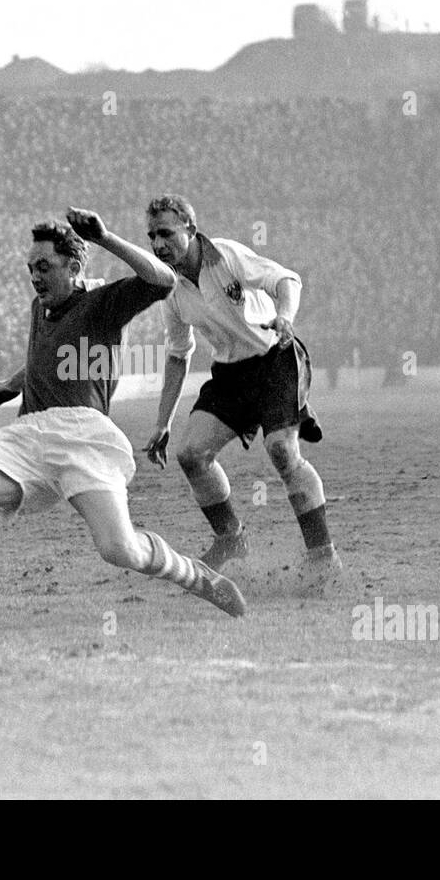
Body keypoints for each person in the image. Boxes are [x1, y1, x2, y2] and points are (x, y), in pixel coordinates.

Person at [0, 214, 247, 622]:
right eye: (30, 268)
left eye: (44, 266)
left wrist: (104, 237)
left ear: (75, 268)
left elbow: (163, 281)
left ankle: (198, 576)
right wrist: (13, 383)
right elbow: (52, 356)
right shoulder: (39, 308)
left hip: (83, 436)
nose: (34, 276)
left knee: (119, 550)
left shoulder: (101, 304)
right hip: (28, 436)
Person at [122, 195, 340, 597]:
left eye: (166, 234)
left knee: (281, 452)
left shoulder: (226, 255)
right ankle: (232, 538)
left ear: (190, 227)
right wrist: (162, 422)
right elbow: (177, 355)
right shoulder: (169, 288)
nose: (157, 245)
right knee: (191, 456)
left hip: (274, 358)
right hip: (231, 376)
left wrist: (285, 317)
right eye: (152, 236)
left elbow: (286, 280)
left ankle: (323, 556)